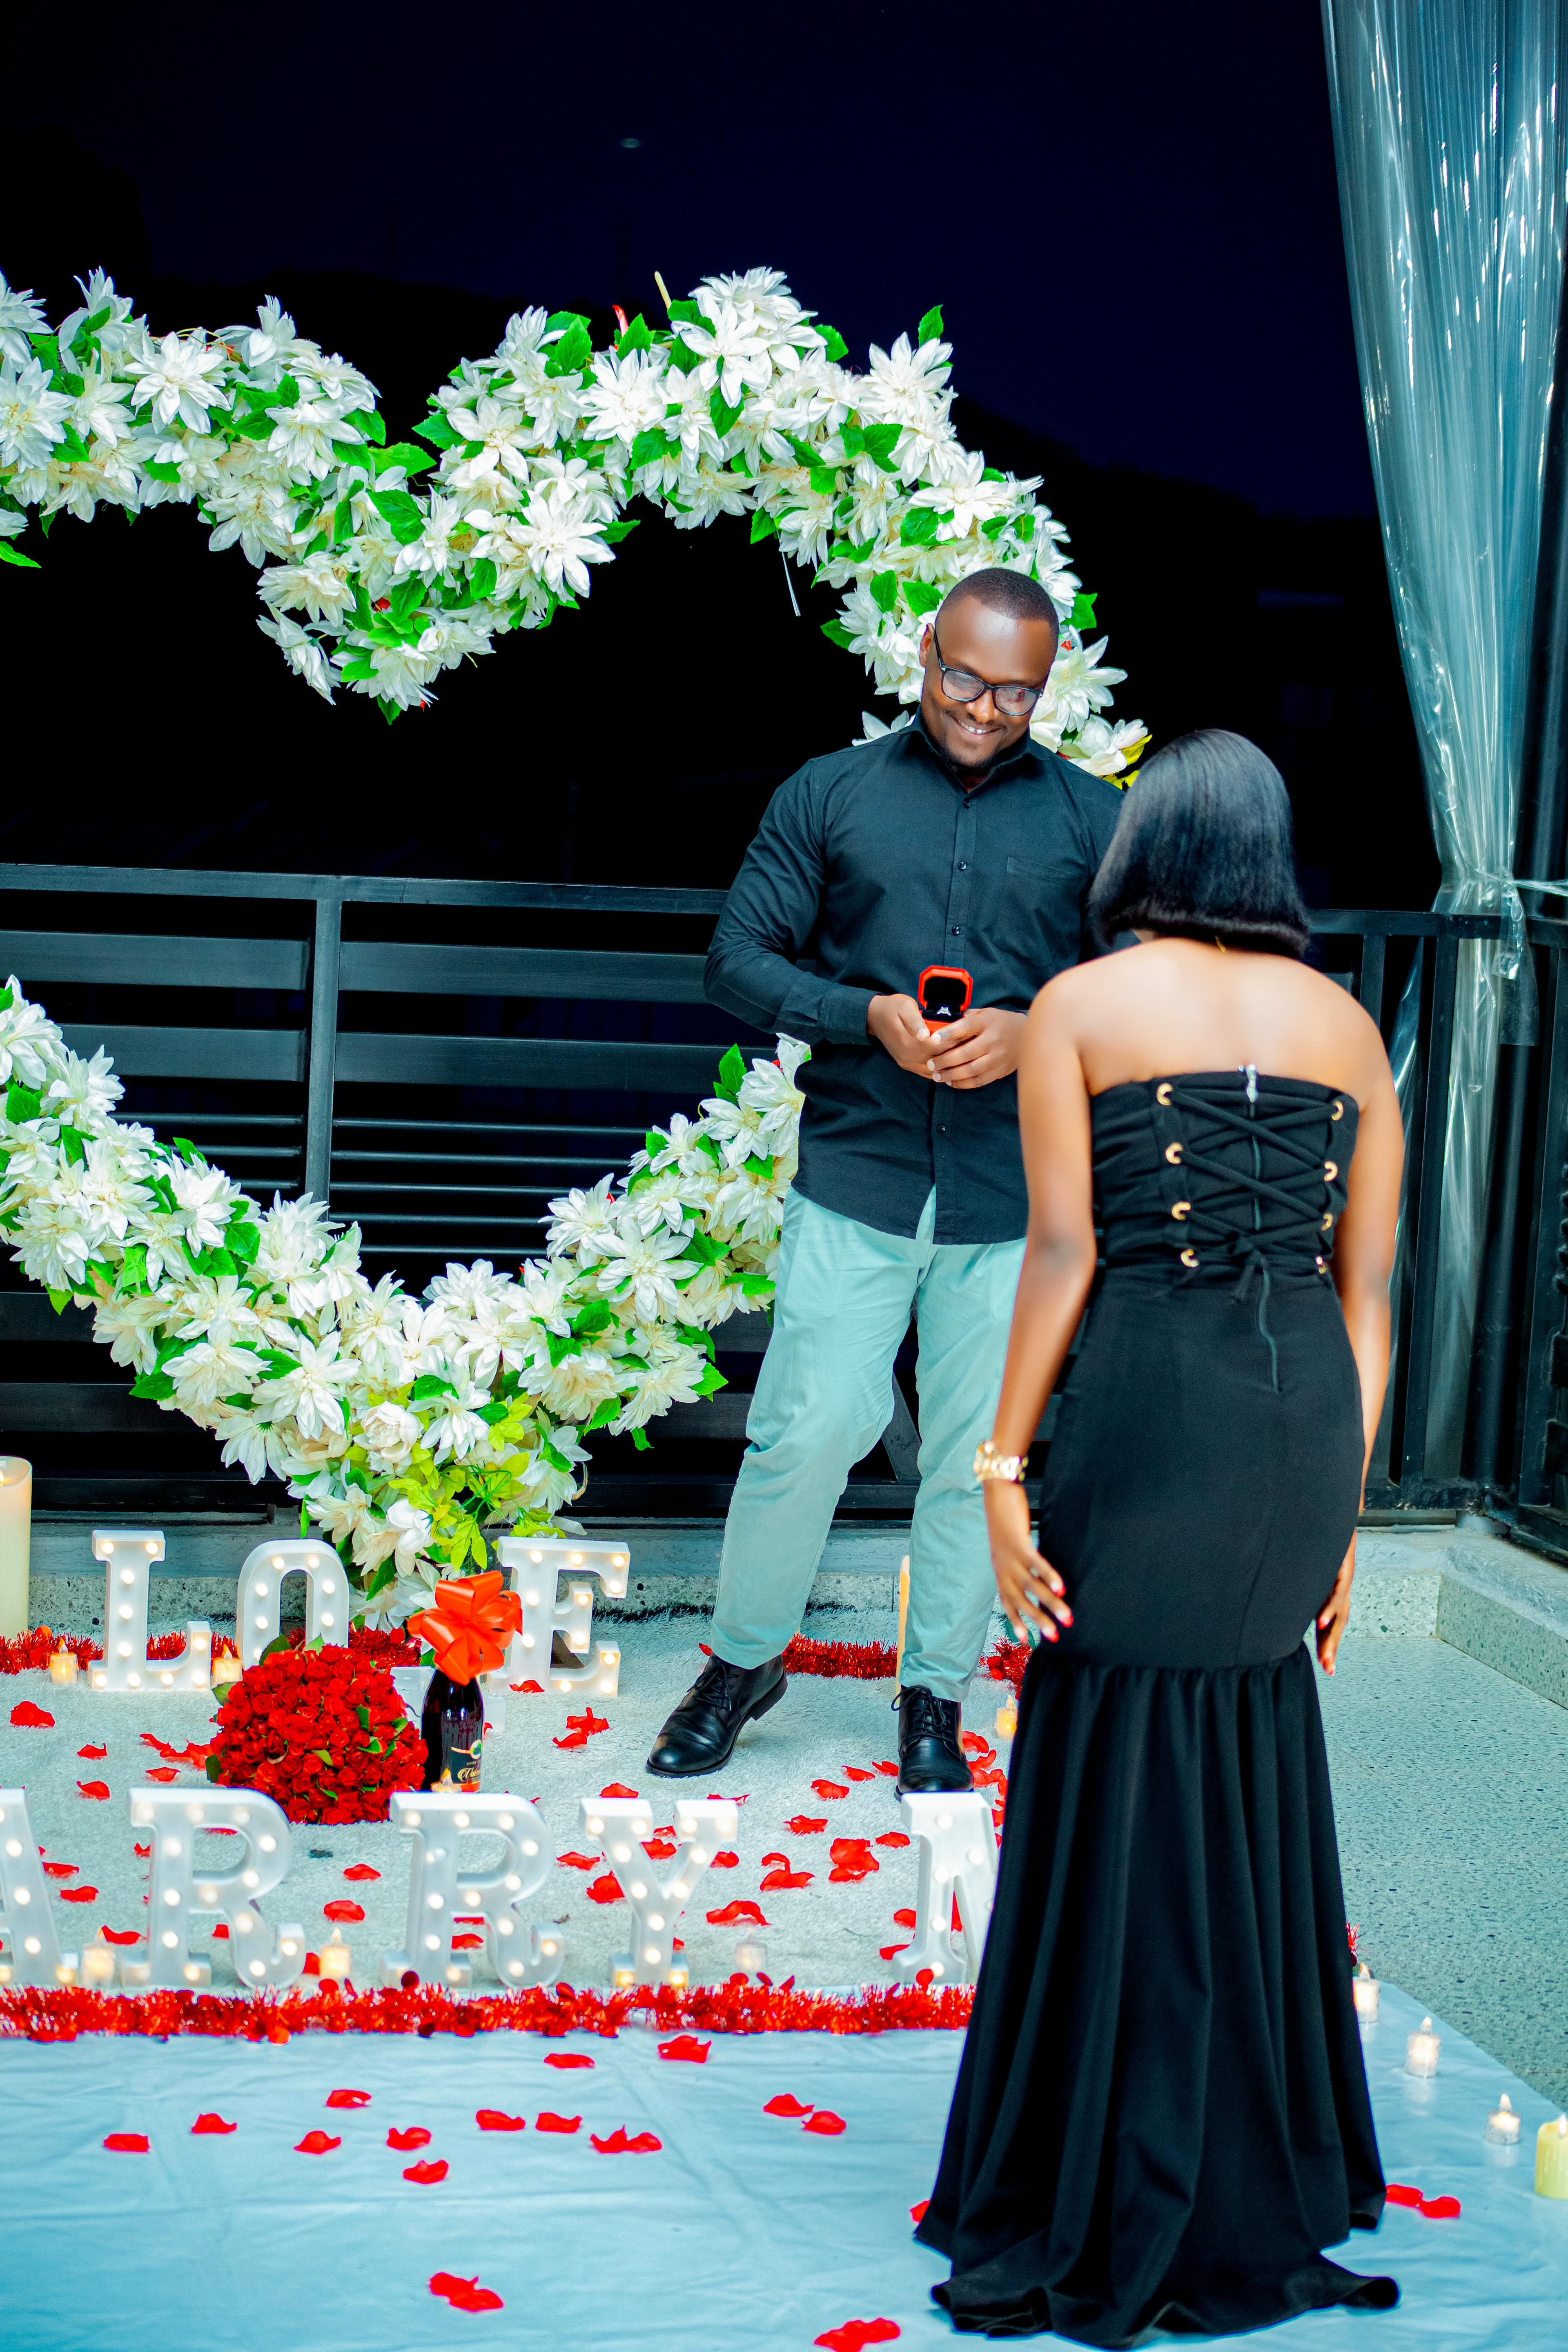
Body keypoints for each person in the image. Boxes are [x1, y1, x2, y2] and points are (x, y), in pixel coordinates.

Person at [916, 729, 1402, 2340]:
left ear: (1146, 851)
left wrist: (999, 1467)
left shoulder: (1080, 1004)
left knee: (1112, 1727)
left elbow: (1064, 1253)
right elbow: (1370, 1293)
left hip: (1153, 1402)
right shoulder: (1349, 1025)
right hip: (1304, 1424)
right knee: (1246, 1733)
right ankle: (1259, 2154)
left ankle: (1103, 2165)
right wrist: (1344, 1509)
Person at [645, 566, 1125, 1790]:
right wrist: (863, 1015)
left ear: (1046, 688)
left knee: (976, 1455)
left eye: (1015, 693)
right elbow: (735, 960)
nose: (983, 708)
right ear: (925, 652)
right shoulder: (830, 792)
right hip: (858, 1168)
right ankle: (744, 1662)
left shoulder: (1094, 819)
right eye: (963, 677)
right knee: (804, 1430)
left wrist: (1037, 1032)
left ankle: (935, 1694)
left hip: (1013, 1191)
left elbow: (1141, 996)